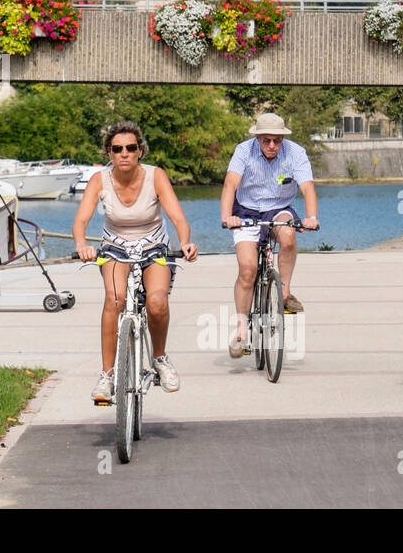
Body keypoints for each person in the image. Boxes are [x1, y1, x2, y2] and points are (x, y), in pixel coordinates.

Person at [73, 121, 198, 402]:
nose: (124, 153)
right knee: (114, 300)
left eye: (131, 147)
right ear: (109, 153)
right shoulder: (99, 180)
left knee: (156, 302)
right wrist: (82, 245)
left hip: (154, 246)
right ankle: (107, 375)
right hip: (115, 248)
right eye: (117, 149)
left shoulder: (156, 176)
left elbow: (178, 218)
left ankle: (160, 358)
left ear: (140, 150)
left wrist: (185, 242)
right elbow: (81, 221)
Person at [220, 113, 319, 358]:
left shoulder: (296, 152)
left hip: (279, 207)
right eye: (266, 140)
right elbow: (230, 185)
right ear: (258, 138)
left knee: (287, 236)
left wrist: (311, 217)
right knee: (247, 270)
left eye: (277, 140)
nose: (272, 145)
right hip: (246, 209)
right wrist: (227, 217)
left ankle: (283, 292)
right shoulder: (243, 151)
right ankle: (242, 330)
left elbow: (307, 187)